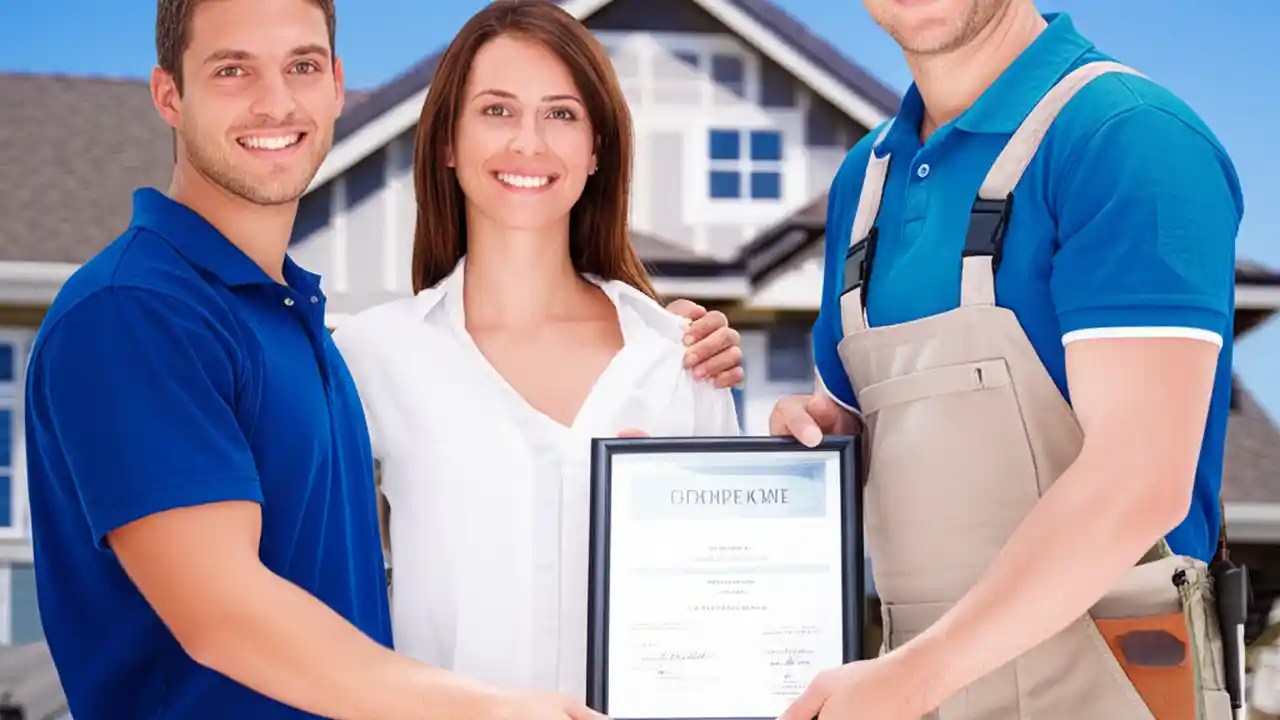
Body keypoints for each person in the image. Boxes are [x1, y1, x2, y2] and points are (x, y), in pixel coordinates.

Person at [23, 0, 740, 718]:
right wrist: (488, 711)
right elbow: (223, 616)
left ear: (336, 83)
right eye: (233, 69)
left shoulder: (295, 327)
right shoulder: (136, 311)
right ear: (169, 94)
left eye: (301, 66)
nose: (276, 101)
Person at [770, 1, 1243, 719]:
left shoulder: (1127, 136)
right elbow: (858, 423)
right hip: (910, 685)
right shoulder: (864, 181)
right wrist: (793, 453)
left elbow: (1139, 481)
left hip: (1111, 691)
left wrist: (915, 679)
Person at [330, 0, 741, 704]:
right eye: (495, 110)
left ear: (596, 148)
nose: (529, 143)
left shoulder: (680, 361)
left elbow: (728, 601)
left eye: (561, 114)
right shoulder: (372, 357)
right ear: (448, 142)